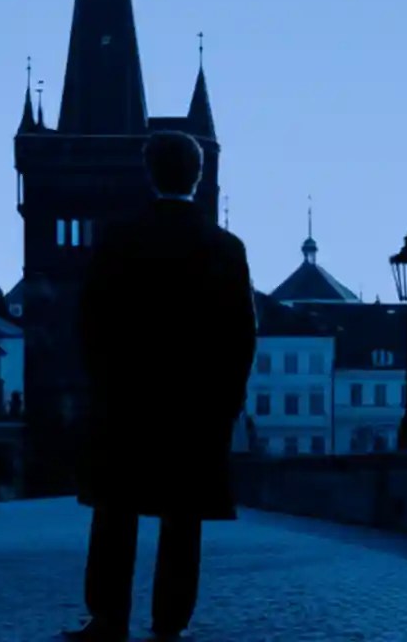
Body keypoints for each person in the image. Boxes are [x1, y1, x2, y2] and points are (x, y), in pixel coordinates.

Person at [64, 131, 258, 642]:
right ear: (199, 175)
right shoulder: (225, 247)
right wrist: (227, 402)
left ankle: (108, 619)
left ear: (149, 173)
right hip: (195, 409)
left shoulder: (119, 240)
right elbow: (241, 337)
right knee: (182, 517)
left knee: (115, 513)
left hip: (126, 403)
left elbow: (91, 323)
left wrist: (103, 388)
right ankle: (170, 622)